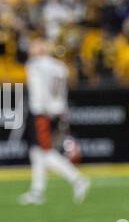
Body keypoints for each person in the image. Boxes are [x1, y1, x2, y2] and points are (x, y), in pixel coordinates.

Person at [18, 38, 90, 205]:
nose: (30, 48)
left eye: (34, 45)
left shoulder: (35, 64)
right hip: (57, 111)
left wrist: (43, 109)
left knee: (45, 152)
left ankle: (77, 179)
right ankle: (37, 191)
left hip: (43, 112)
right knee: (36, 152)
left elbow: (39, 91)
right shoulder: (60, 66)